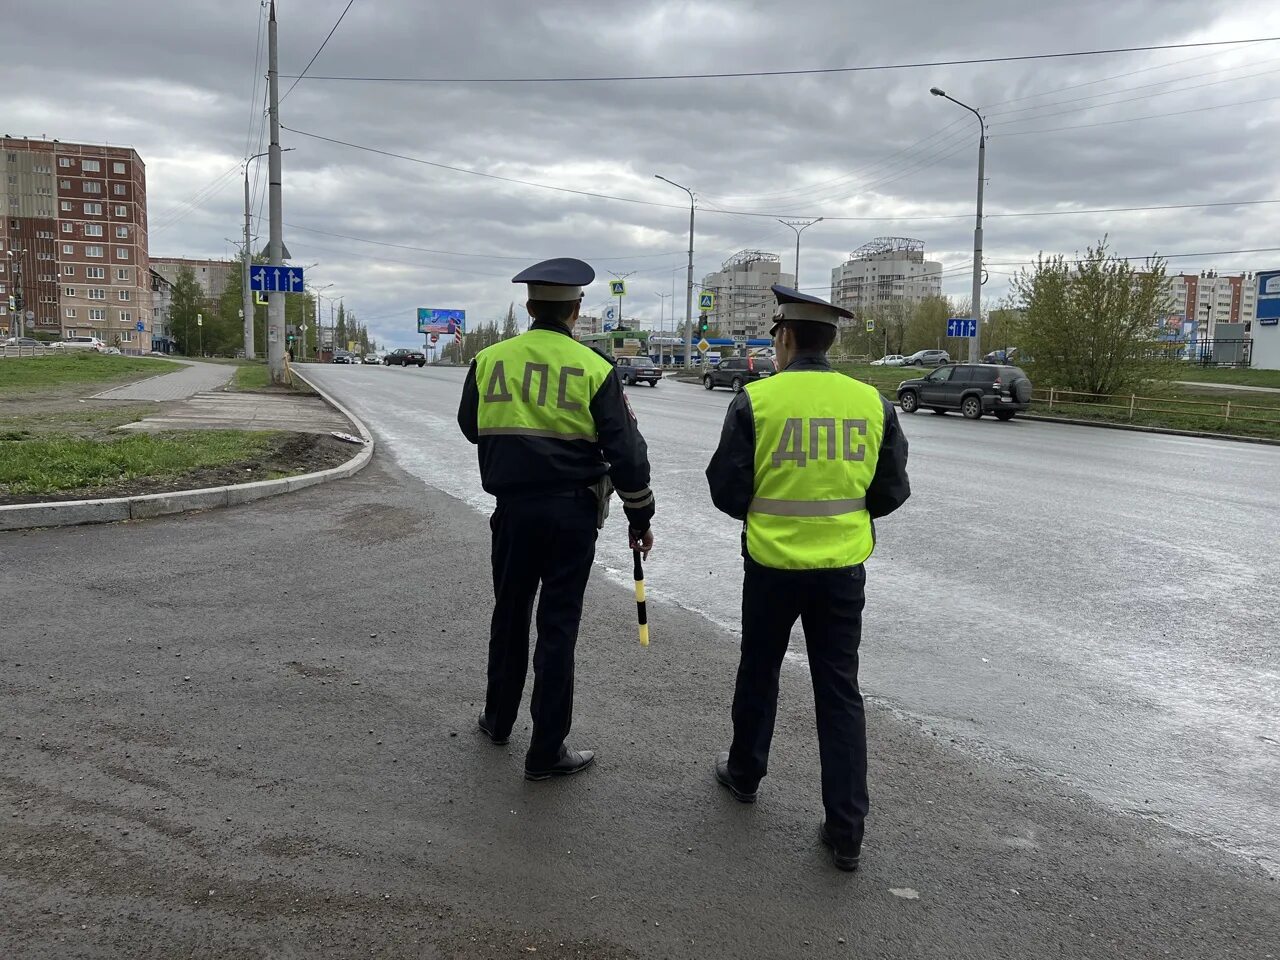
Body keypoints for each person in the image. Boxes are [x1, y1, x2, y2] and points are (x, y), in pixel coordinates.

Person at [705, 285, 910, 871]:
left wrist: (767, 509)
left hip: (770, 565)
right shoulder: (873, 403)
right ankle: (846, 831)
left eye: (776, 338)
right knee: (839, 691)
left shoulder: (756, 401)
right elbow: (891, 490)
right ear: (830, 340)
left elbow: (726, 489)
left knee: (760, 668)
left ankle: (744, 774)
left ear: (787, 338)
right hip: (842, 571)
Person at [457, 257, 656, 781]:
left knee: (510, 612)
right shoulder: (594, 368)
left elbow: (470, 427)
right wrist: (640, 516)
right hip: (572, 514)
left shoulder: (488, 360)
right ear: (576, 309)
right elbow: (627, 455)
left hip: (513, 511)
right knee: (558, 625)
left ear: (529, 307)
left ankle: (497, 720)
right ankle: (546, 750)